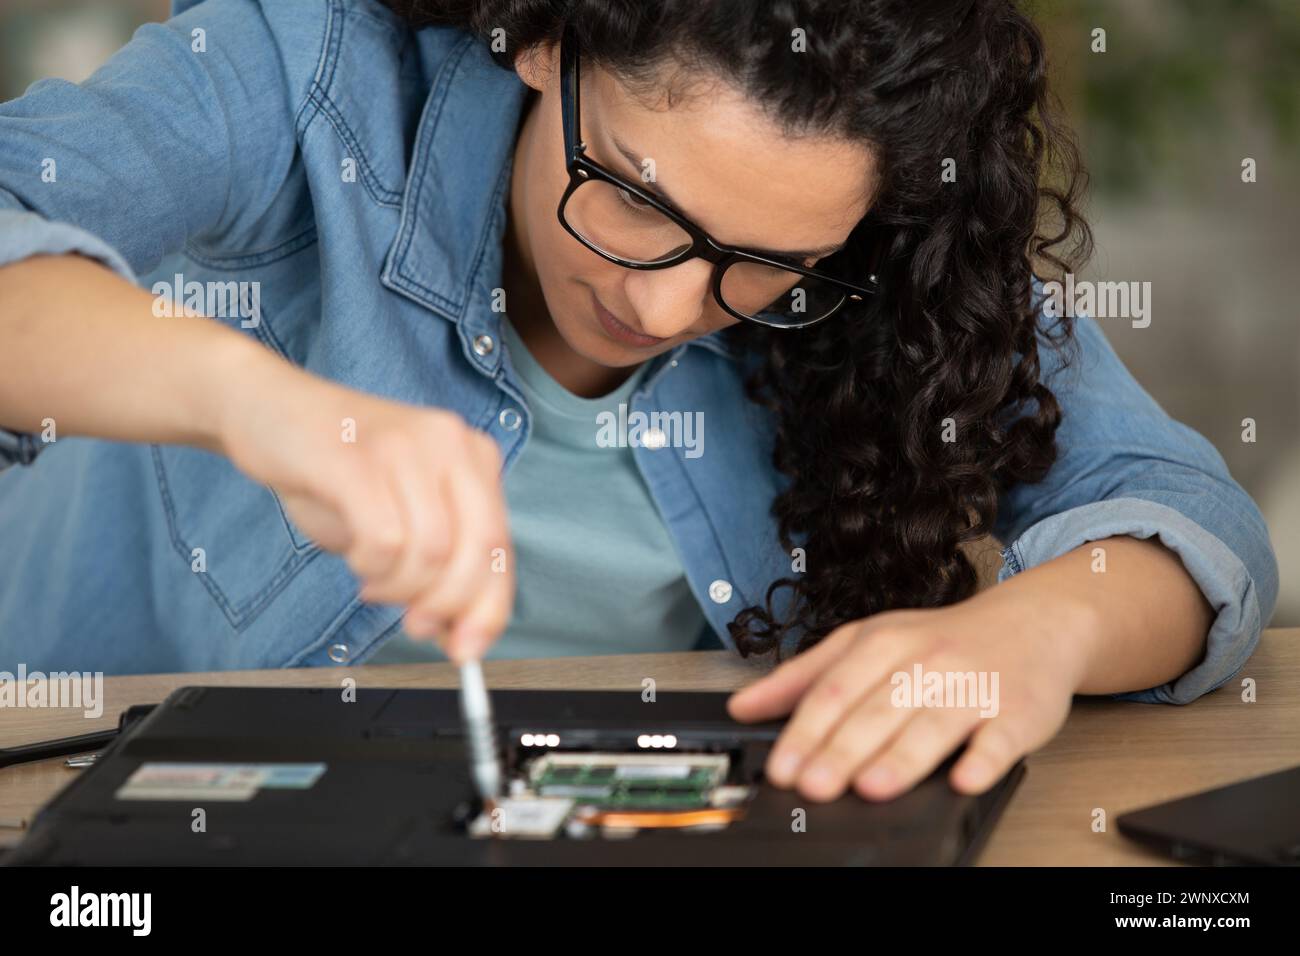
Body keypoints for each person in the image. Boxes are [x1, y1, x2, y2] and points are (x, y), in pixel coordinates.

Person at [0, 0, 1277, 804]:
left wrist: (1033, 632)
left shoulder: (894, 255)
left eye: (768, 261)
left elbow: (1177, 511)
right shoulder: (301, 74)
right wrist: (247, 396)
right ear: (549, 37)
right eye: (635, 200)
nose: (668, 309)